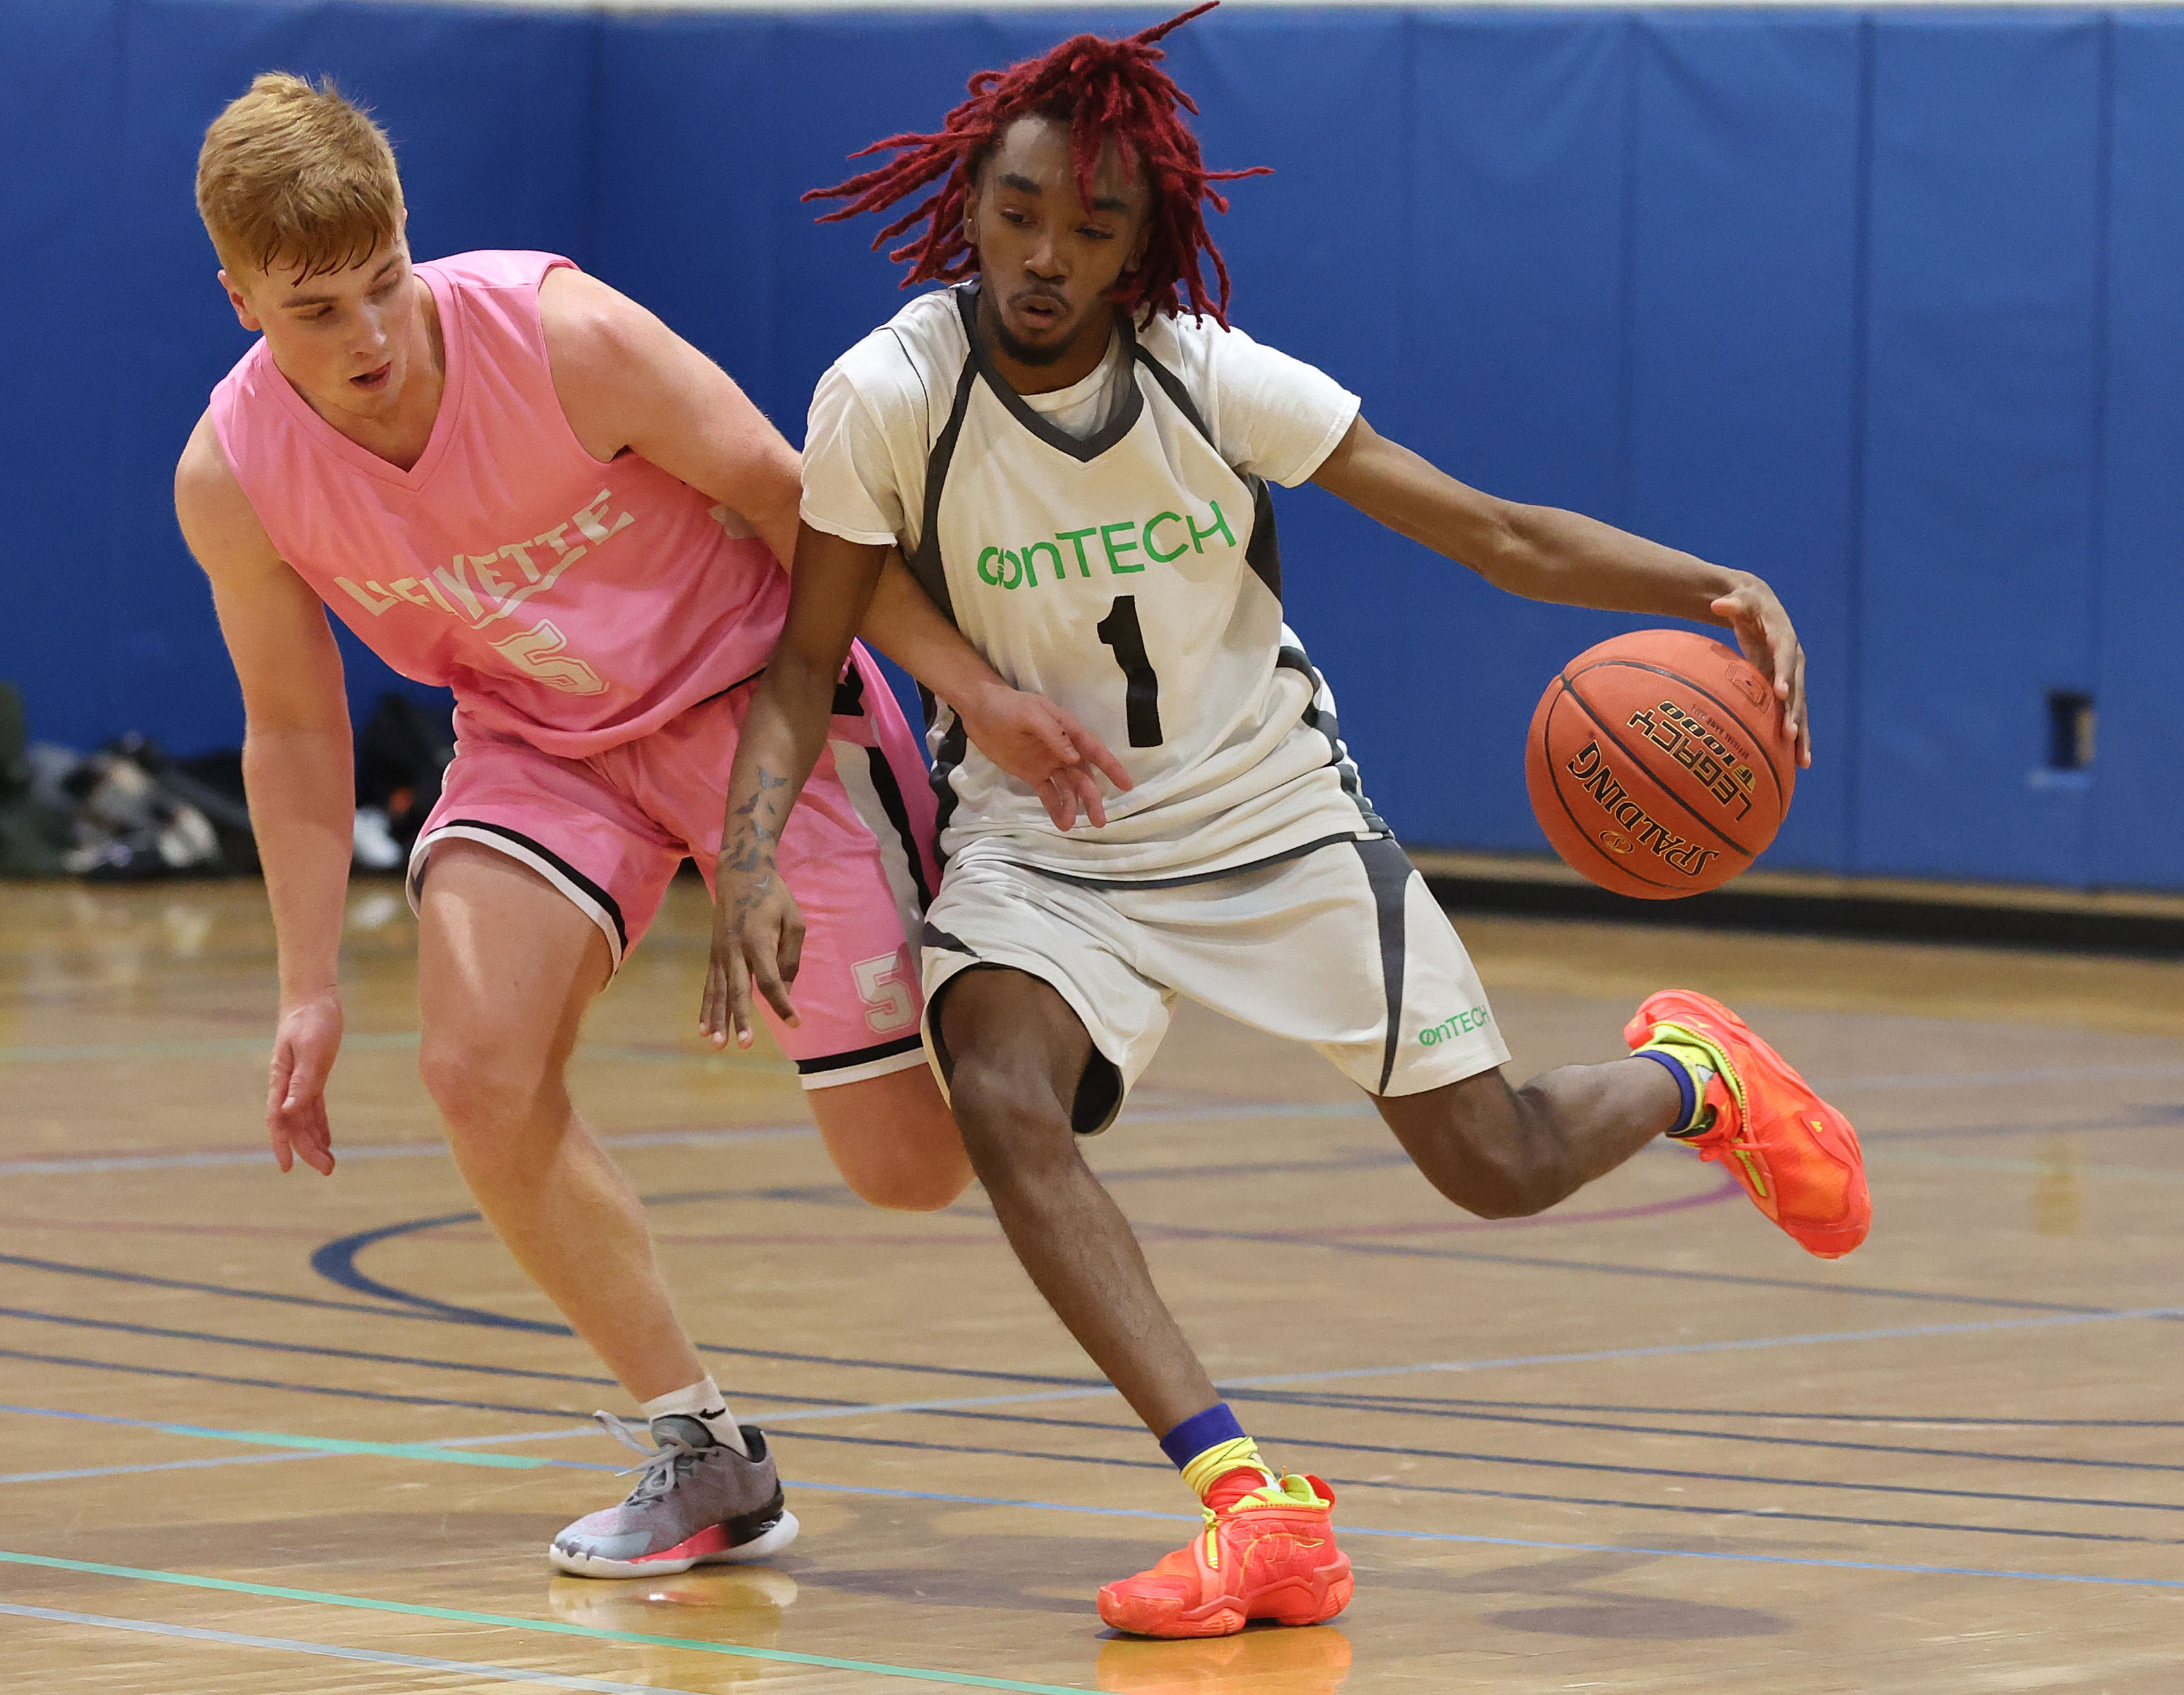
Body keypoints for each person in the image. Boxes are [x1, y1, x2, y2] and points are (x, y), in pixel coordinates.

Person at [704, 3, 1871, 1640]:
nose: (1046, 253)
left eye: (1091, 227)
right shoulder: (888, 394)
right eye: (1022, 211)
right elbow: (805, 658)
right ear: (970, 200)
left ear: (1140, 249)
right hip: (1052, 838)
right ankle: (1253, 1505)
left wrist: (1710, 584)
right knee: (1000, 1087)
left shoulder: (1209, 380)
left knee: (1502, 1163)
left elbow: (1498, 537)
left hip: (1273, 811)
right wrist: (746, 856)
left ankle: (1695, 1076)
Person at [173, 72, 1122, 1581]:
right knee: (475, 1069)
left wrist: (971, 691)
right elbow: (292, 726)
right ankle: (705, 1451)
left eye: (381, 287)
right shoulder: (233, 478)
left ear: (411, 239)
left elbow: (796, 505)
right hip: (542, 739)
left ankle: (1063, 938)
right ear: (239, 301)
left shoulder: (562, 338)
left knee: (907, 1167)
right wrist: (307, 982)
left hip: (761, 705)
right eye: (314, 312)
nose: (366, 340)